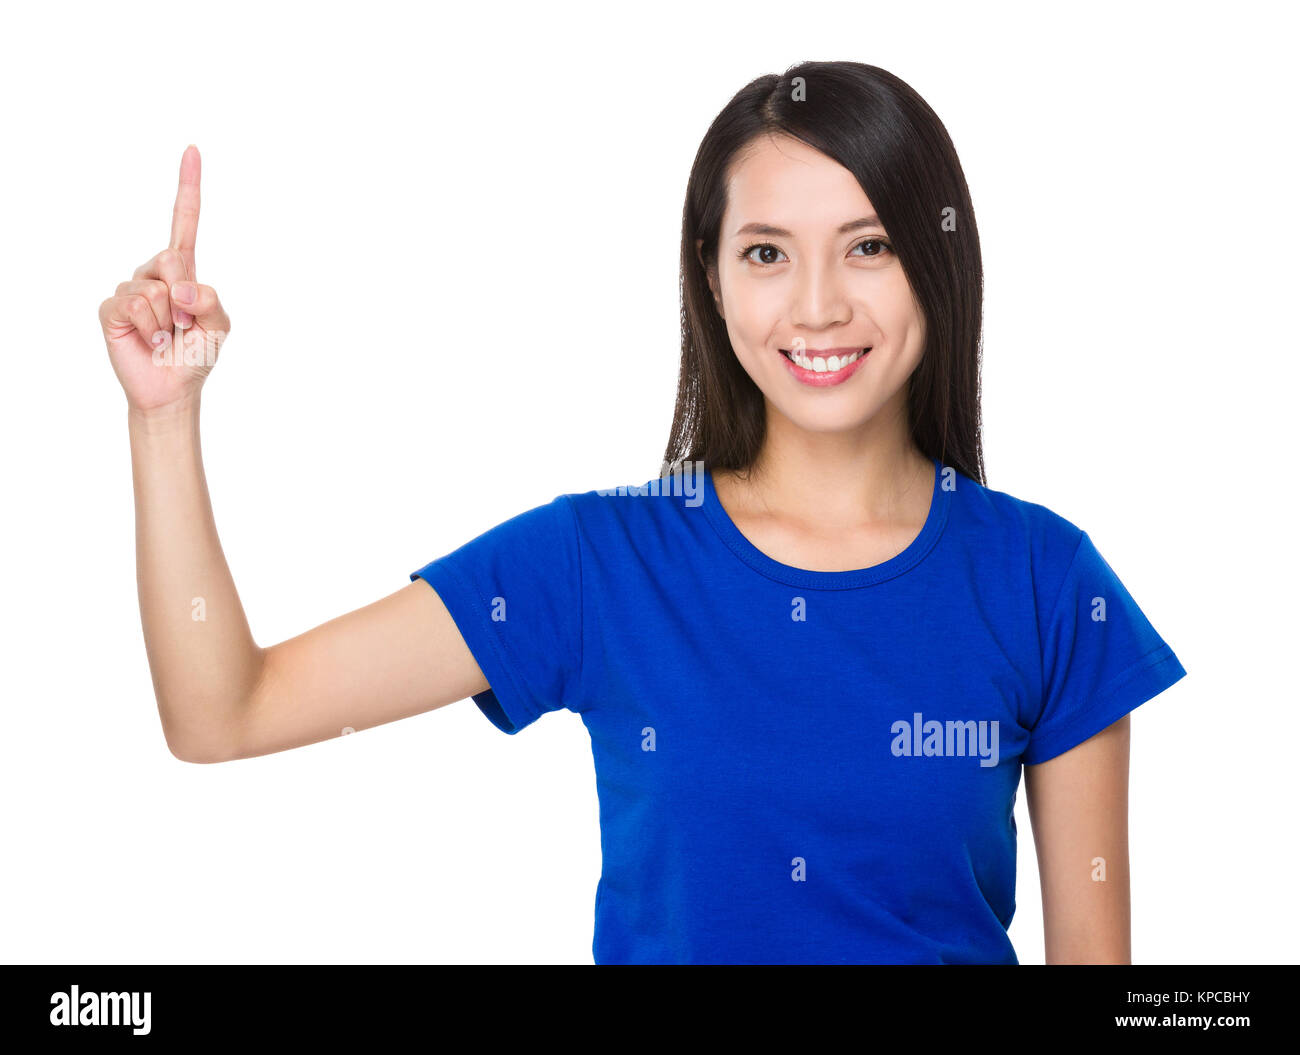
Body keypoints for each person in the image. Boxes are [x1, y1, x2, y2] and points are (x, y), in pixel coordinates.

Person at [99, 61, 1186, 965]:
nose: (817, 303)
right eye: (766, 252)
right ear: (712, 282)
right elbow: (222, 711)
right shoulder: (596, 562)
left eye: (869, 245)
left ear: (935, 264)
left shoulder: (1046, 580)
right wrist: (165, 419)